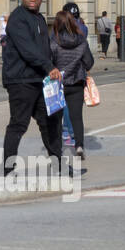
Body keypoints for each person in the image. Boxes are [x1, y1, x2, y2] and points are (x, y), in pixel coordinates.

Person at [1, 0, 65, 177]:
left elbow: (44, 49)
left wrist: (53, 68)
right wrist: (49, 67)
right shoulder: (18, 19)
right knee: (18, 124)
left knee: (50, 122)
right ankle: (8, 169)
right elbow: (28, 50)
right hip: (20, 80)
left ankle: (58, 165)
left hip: (39, 79)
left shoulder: (39, 18)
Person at [50, 9, 94, 167]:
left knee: (55, 118)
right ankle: (79, 145)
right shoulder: (81, 40)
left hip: (58, 83)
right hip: (76, 82)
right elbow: (89, 62)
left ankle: (57, 150)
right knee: (77, 117)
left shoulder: (53, 41)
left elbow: (49, 61)